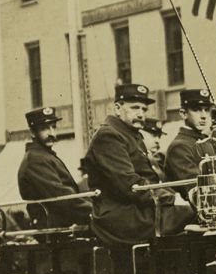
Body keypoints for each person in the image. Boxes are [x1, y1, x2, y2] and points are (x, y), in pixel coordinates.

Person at [82, 83, 194, 243]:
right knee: (193, 214)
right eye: (135, 108)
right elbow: (129, 184)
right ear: (117, 108)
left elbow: (151, 179)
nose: (141, 114)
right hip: (118, 215)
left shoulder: (130, 134)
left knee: (199, 212)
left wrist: (176, 196)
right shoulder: (108, 135)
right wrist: (171, 199)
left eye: (144, 109)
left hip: (136, 209)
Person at [17, 106, 92, 228]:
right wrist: (95, 213)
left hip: (61, 223)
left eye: (53, 127)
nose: (52, 133)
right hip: (54, 226)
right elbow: (61, 196)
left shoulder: (44, 156)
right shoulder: (36, 160)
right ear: (32, 132)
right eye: (44, 128)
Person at [164, 89, 216, 200]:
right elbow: (195, 189)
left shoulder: (205, 141)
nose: (204, 116)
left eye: (207, 110)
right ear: (183, 114)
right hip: (191, 211)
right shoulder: (180, 146)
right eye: (197, 110)